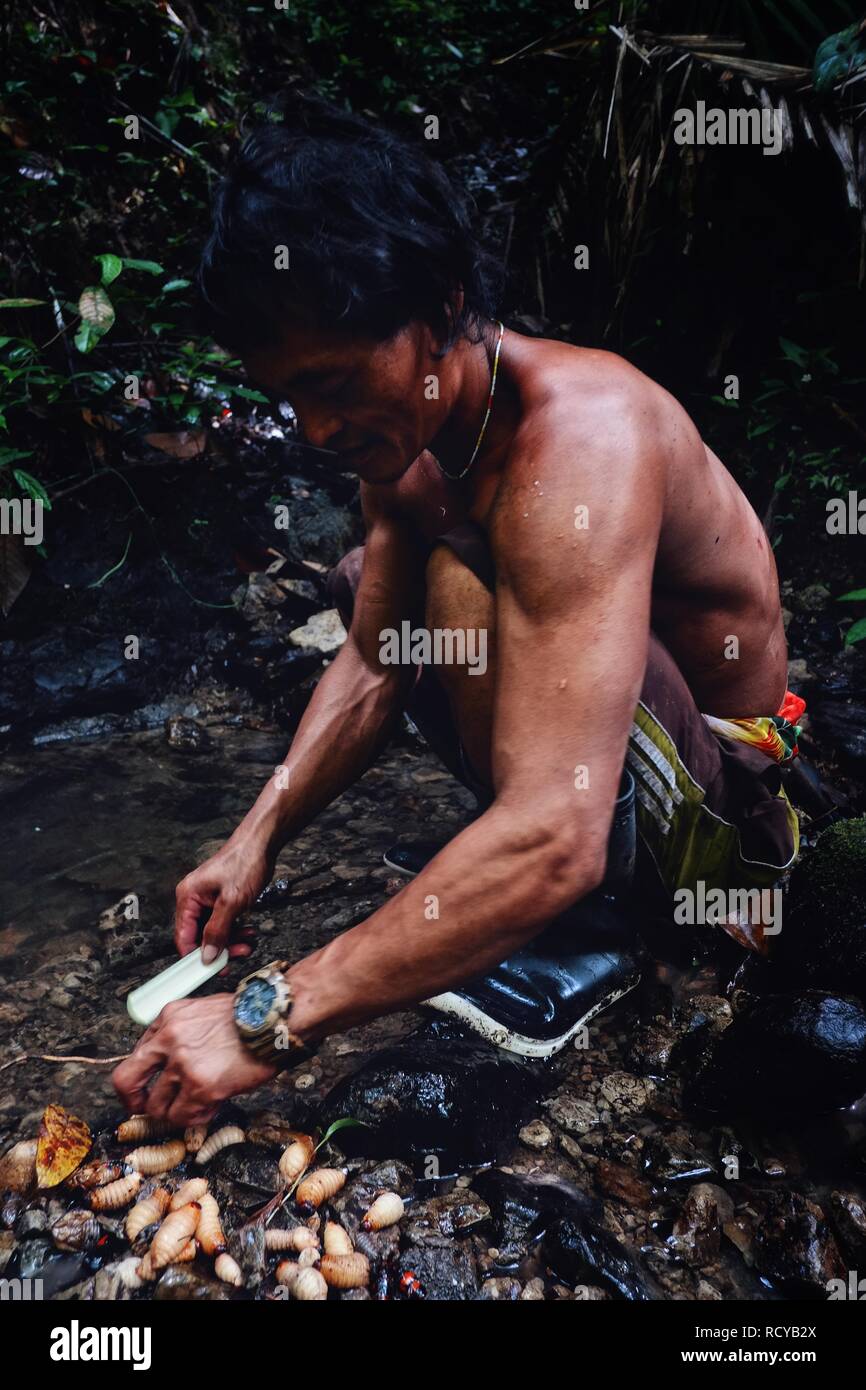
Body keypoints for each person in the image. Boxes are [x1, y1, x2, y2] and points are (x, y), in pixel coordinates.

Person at [113, 95, 804, 1126]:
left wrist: (267, 1016)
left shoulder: (584, 440)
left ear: (440, 312)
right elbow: (376, 658)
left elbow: (559, 830)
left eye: (336, 382)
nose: (315, 427)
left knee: (459, 589)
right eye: (287, 397)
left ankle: (596, 930)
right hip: (598, 771)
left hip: (720, 821)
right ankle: (514, 872)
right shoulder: (415, 438)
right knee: (371, 581)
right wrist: (257, 835)